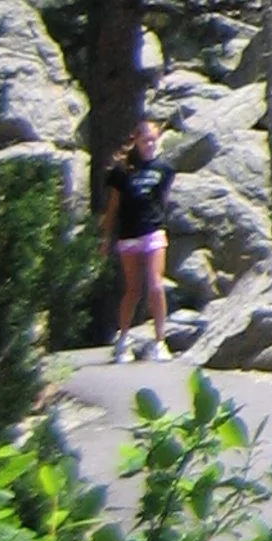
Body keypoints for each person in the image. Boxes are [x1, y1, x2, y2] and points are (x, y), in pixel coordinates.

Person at [98, 114, 177, 362]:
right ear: (136, 141)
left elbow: (161, 201)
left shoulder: (163, 170)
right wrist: (106, 237)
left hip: (153, 231)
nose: (150, 145)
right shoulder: (122, 172)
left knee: (156, 284)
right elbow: (113, 207)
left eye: (153, 140)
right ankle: (122, 340)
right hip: (128, 235)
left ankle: (160, 341)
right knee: (133, 290)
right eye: (146, 141)